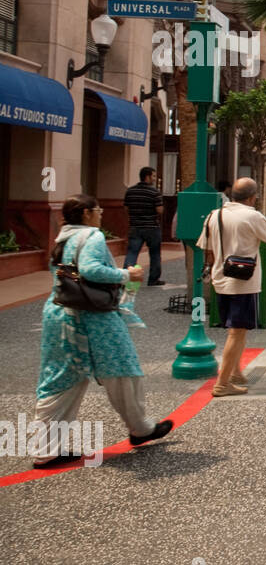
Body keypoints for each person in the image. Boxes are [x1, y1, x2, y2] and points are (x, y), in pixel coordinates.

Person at [29, 195, 173, 467]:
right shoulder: (92, 236)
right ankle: (141, 428)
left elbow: (62, 272)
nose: (101, 214)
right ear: (85, 213)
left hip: (59, 315)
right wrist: (126, 275)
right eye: (98, 210)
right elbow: (91, 269)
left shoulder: (63, 238)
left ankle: (45, 449)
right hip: (94, 318)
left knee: (59, 380)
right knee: (122, 369)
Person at [198, 178, 266, 397]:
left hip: (221, 279)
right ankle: (222, 382)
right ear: (252, 197)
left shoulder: (214, 215)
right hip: (244, 281)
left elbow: (206, 248)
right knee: (237, 332)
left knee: (236, 330)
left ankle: (235, 372)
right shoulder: (252, 216)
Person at [122, 166, 166, 286]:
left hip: (135, 226)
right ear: (147, 176)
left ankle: (126, 278)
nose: (155, 179)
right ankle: (153, 279)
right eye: (154, 176)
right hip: (151, 227)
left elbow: (126, 208)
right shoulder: (154, 192)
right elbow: (160, 210)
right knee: (155, 254)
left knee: (132, 253)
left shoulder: (130, 191)